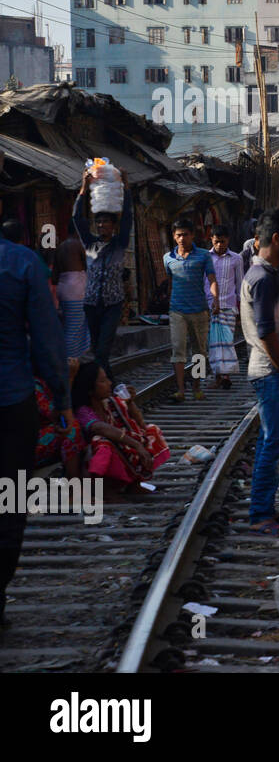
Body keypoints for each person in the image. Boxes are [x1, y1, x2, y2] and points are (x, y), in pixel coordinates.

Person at [0, 230, 70, 630]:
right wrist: (63, 402)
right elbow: (47, 341)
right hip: (11, 403)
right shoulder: (23, 262)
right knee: (8, 505)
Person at [240, 209, 279, 536]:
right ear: (276, 239)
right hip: (270, 373)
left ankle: (266, 508)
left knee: (275, 444)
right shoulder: (263, 279)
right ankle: (260, 513)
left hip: (273, 372)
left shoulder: (264, 274)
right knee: (272, 442)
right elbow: (266, 331)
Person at [72, 169, 132, 384]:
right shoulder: (90, 244)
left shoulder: (119, 243)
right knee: (96, 350)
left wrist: (126, 187)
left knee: (102, 352)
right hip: (90, 304)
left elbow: (127, 217)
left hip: (112, 304)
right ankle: (108, 389)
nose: (101, 226)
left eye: (106, 223)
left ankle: (110, 388)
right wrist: (83, 189)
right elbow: (76, 218)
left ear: (113, 226)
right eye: (98, 223)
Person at [72, 364, 169, 490]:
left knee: (151, 431)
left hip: (121, 448)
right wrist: (136, 445)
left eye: (107, 379)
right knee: (103, 445)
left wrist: (130, 403)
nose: (109, 383)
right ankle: (105, 490)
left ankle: (134, 483)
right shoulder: (83, 411)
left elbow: (140, 425)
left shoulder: (111, 403)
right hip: (90, 459)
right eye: (103, 381)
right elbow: (100, 428)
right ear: (90, 389)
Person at [163, 219, 218, 403]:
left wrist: (215, 299)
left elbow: (211, 279)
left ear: (192, 235)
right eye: (178, 235)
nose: (182, 238)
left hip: (199, 310)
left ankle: (196, 388)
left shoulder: (203, 256)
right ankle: (180, 390)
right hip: (177, 310)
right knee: (178, 350)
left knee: (200, 352)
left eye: (185, 234)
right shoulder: (168, 258)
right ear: (173, 236)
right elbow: (171, 283)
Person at [208, 226, 244, 390]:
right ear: (211, 240)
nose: (220, 245)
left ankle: (225, 376)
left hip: (228, 306)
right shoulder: (205, 258)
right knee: (207, 344)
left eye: (222, 241)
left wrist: (241, 309)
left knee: (225, 342)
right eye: (216, 242)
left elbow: (240, 284)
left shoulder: (236, 259)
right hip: (207, 306)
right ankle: (201, 379)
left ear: (228, 240)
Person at [51, 237, 90, 375]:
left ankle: (68, 359)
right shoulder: (77, 245)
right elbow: (85, 265)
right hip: (76, 288)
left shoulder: (60, 247)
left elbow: (55, 274)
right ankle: (70, 360)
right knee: (74, 328)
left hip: (63, 286)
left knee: (67, 325)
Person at [33, 376, 86, 477]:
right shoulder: (33, 384)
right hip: (22, 448)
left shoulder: (46, 377)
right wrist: (70, 377)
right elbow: (58, 414)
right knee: (71, 429)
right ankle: (75, 486)